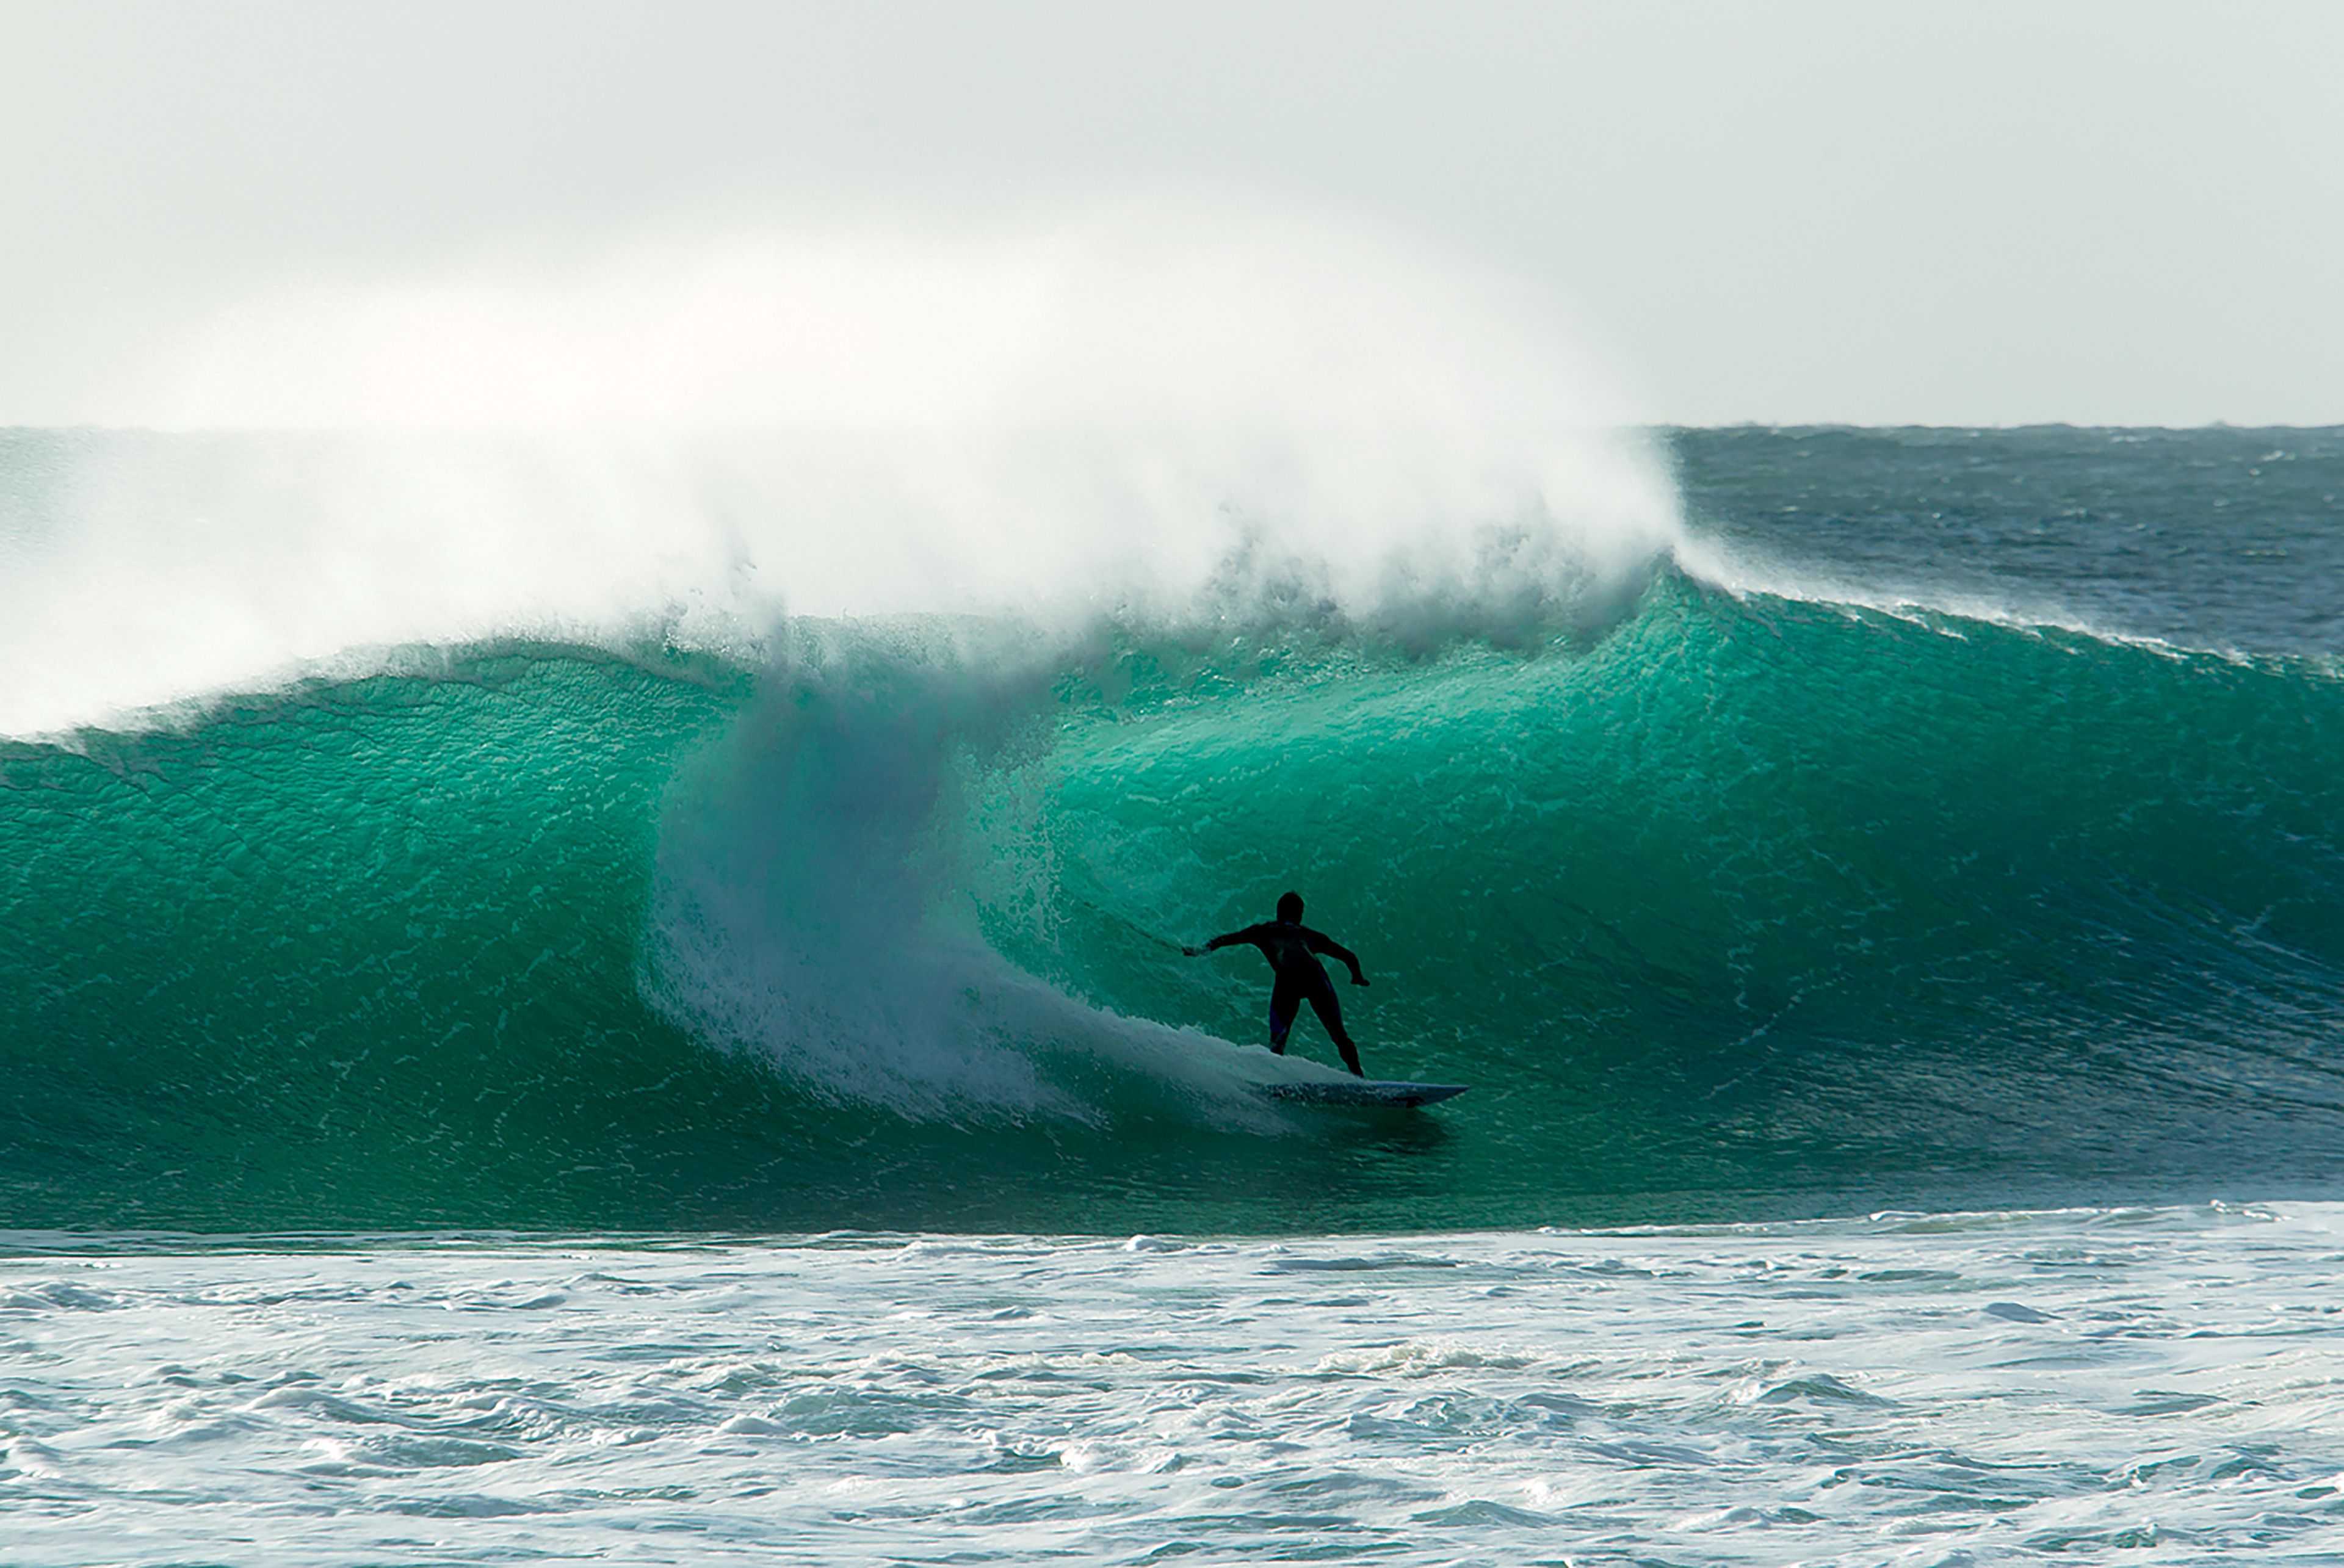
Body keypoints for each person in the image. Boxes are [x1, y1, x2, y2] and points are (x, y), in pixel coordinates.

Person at [1185, 891, 1370, 1077]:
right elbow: (1349, 957)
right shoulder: (1309, 935)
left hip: (1287, 985)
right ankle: (1359, 1077)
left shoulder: (1262, 931)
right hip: (1315, 981)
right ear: (1300, 915)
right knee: (1339, 1036)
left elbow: (1226, 939)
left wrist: (1200, 951)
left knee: (1277, 1042)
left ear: (1278, 912)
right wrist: (1357, 977)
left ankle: (1274, 1080)